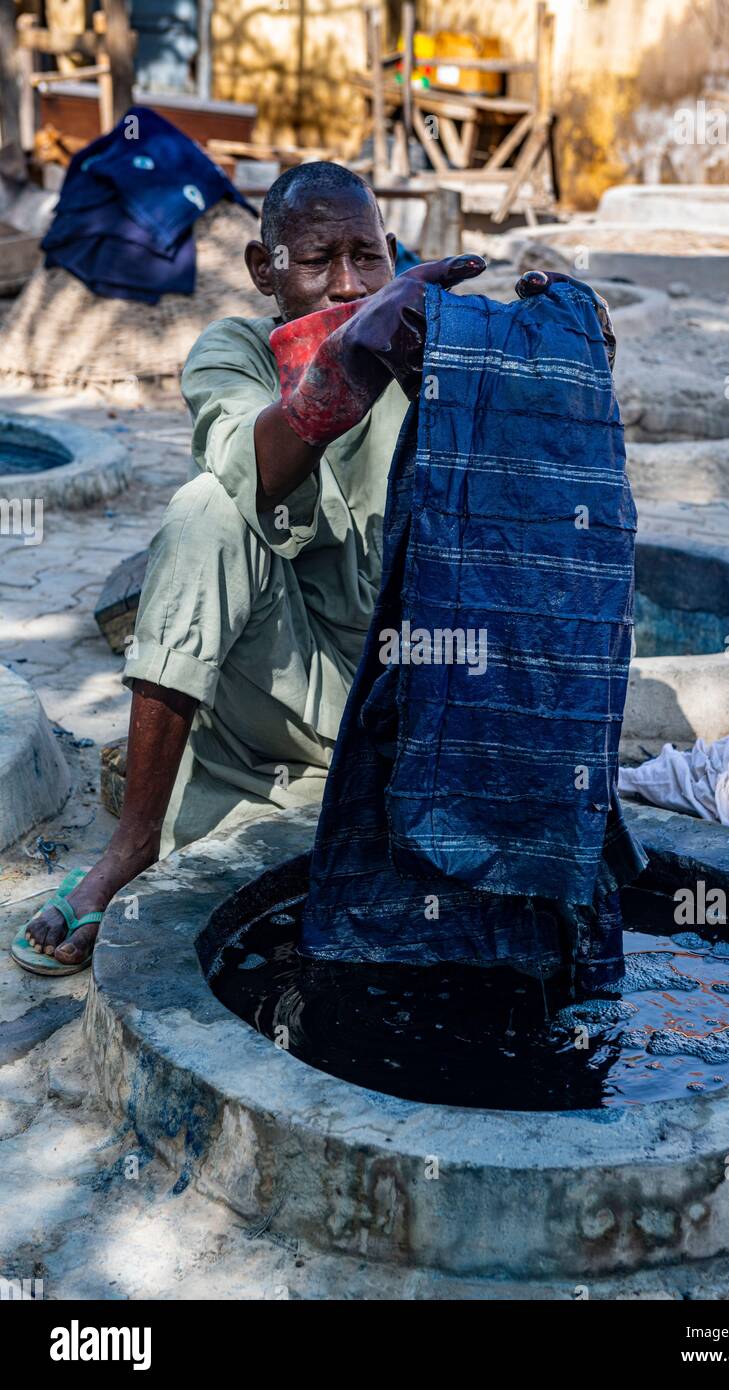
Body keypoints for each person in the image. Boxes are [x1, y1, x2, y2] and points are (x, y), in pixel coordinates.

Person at [13, 162, 487, 973]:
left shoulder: (436, 348)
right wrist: (347, 368)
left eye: (368, 258)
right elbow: (258, 465)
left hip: (402, 707)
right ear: (264, 270)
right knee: (206, 510)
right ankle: (133, 843)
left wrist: (552, 362)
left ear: (394, 256)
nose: (347, 284)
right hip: (280, 693)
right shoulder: (233, 352)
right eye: (317, 261)